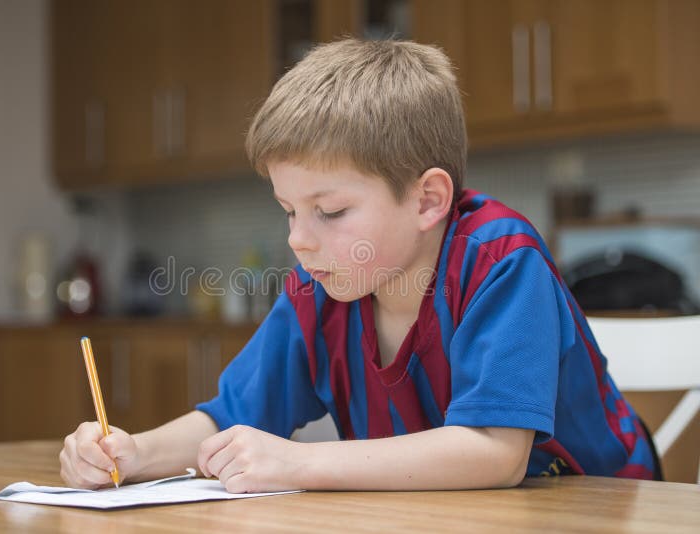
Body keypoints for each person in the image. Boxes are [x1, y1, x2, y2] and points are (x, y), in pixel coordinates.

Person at [59, 39, 658, 493]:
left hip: (604, 510)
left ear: (427, 201)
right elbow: (230, 417)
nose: (299, 239)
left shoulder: (500, 261)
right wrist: (134, 453)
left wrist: (298, 463)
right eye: (289, 211)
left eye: (330, 211)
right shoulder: (318, 287)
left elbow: (494, 453)